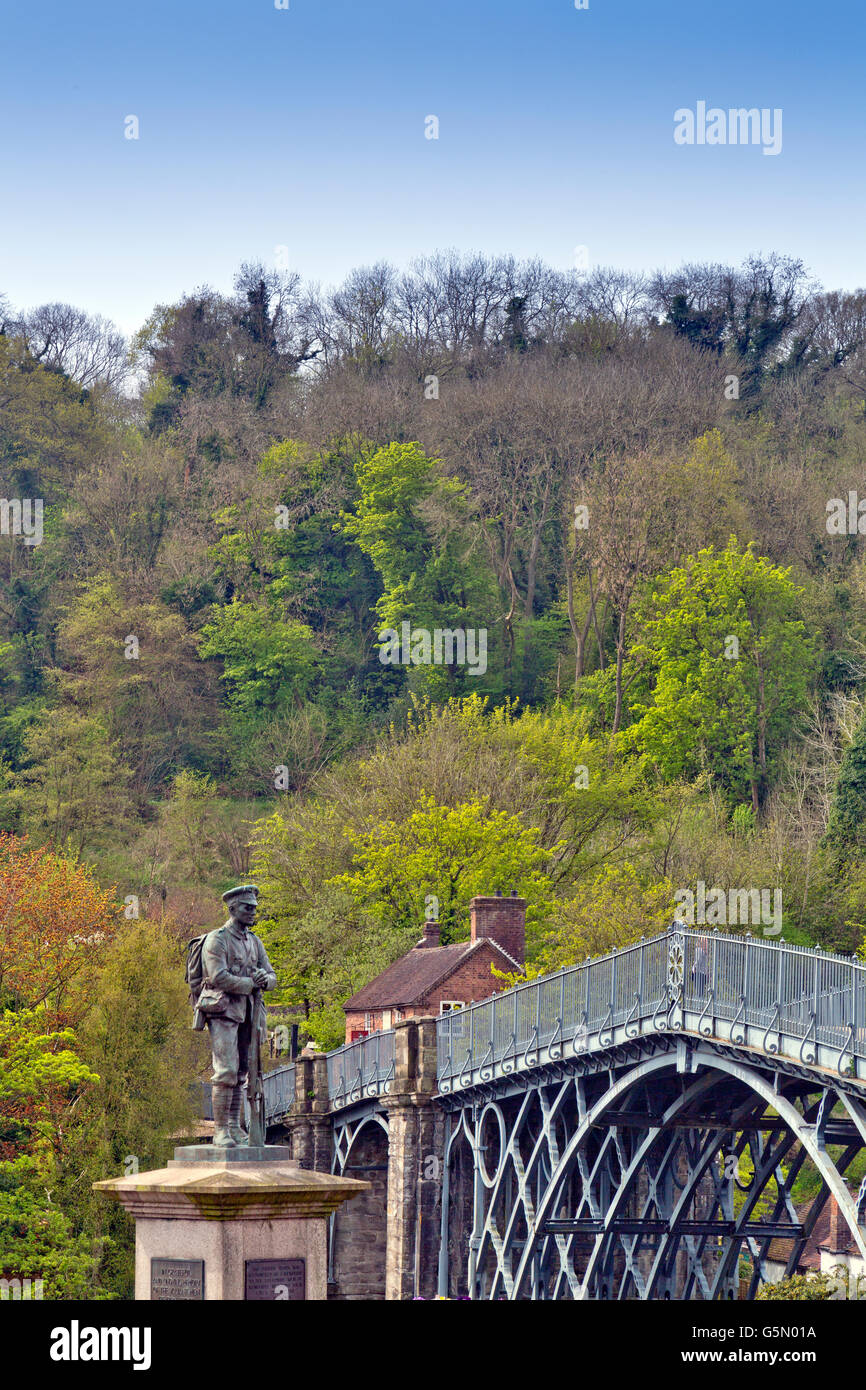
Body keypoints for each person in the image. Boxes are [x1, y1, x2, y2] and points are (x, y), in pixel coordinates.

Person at [200, 885, 276, 1147]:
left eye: (255, 907)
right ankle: (220, 1131)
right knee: (226, 1071)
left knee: (244, 1071)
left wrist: (265, 979)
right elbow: (218, 977)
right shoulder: (217, 939)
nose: (253, 912)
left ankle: (234, 1126)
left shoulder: (254, 941)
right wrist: (250, 983)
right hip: (223, 1012)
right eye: (248, 907)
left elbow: (272, 975)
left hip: (250, 1013)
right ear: (233, 909)